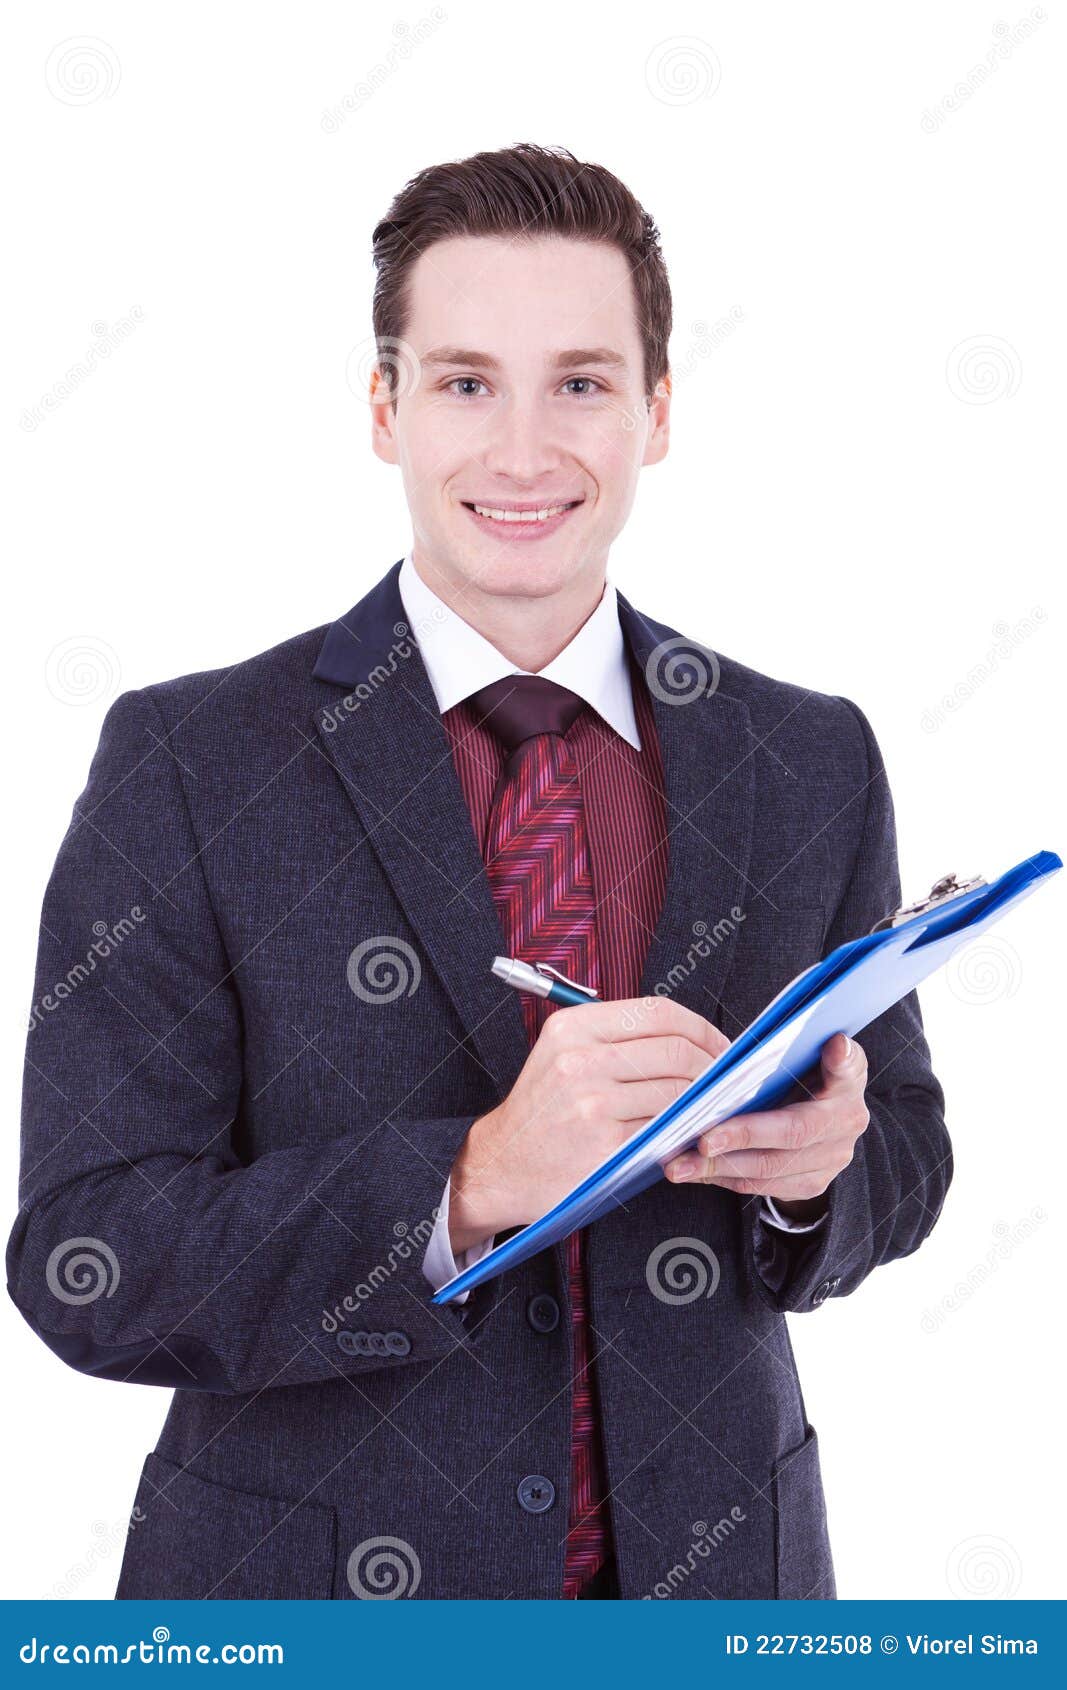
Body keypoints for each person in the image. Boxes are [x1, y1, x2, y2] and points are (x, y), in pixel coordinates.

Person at [7, 143, 951, 1601]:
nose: (521, 452)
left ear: (659, 410)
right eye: (464, 383)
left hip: (719, 1594)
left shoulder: (806, 755)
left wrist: (816, 1180)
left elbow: (908, 1147)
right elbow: (93, 1257)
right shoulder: (191, 760)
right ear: (384, 410)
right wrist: (469, 1180)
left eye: (580, 382)